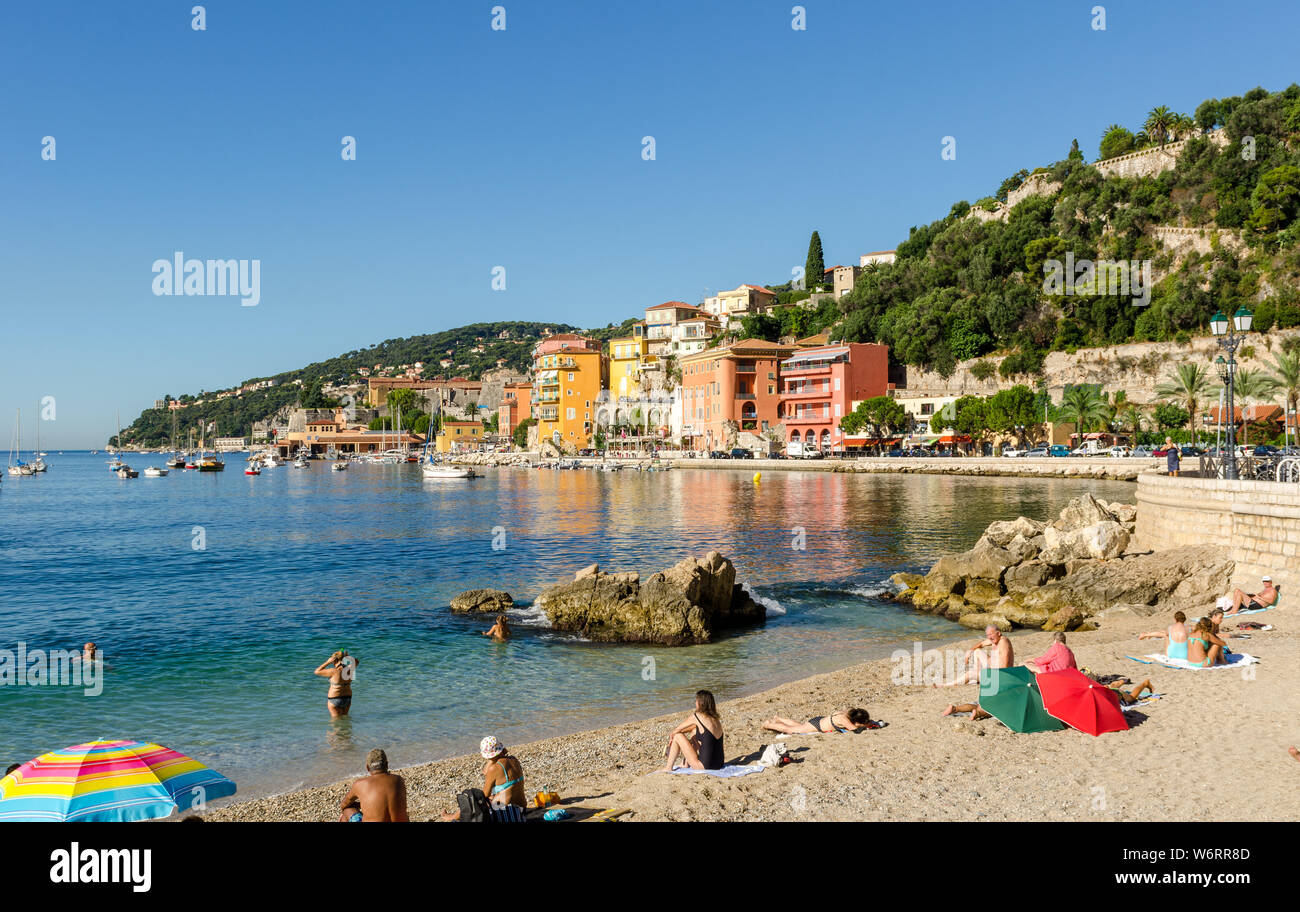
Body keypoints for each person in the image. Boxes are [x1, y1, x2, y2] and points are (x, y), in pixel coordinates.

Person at [661, 690, 724, 771]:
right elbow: (693, 727)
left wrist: (672, 738)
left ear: (700, 703)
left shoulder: (697, 716)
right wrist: (681, 732)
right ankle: (685, 763)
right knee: (694, 731)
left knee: (677, 736)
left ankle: (668, 768)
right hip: (719, 764)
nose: (695, 703)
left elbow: (676, 730)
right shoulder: (715, 719)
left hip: (704, 767)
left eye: (696, 701)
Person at [338, 749, 408, 822]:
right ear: (387, 765)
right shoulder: (399, 780)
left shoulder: (360, 784)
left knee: (347, 811)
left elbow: (344, 805)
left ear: (367, 768)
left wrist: (361, 804)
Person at [938, 626, 1014, 686]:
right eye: (987, 635)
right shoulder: (994, 640)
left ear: (999, 633)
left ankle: (947, 685)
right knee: (977, 651)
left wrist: (989, 673)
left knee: (970, 674)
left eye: (991, 634)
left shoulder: (1003, 642)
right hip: (994, 670)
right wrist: (969, 651)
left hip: (1000, 676)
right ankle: (975, 679)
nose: (989, 637)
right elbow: (981, 644)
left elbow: (1005, 667)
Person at [761, 708, 875, 734]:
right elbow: (855, 730)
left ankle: (778, 719)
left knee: (799, 726)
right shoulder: (844, 719)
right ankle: (768, 725)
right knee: (790, 730)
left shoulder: (848, 712)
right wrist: (868, 725)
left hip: (819, 721)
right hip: (817, 726)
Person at [314, 650, 358, 717]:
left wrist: (327, 662)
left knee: (336, 724)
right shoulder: (350, 668)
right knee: (345, 721)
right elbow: (356, 661)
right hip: (347, 698)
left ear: (334, 660)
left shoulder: (333, 671)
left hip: (335, 699)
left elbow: (316, 671)